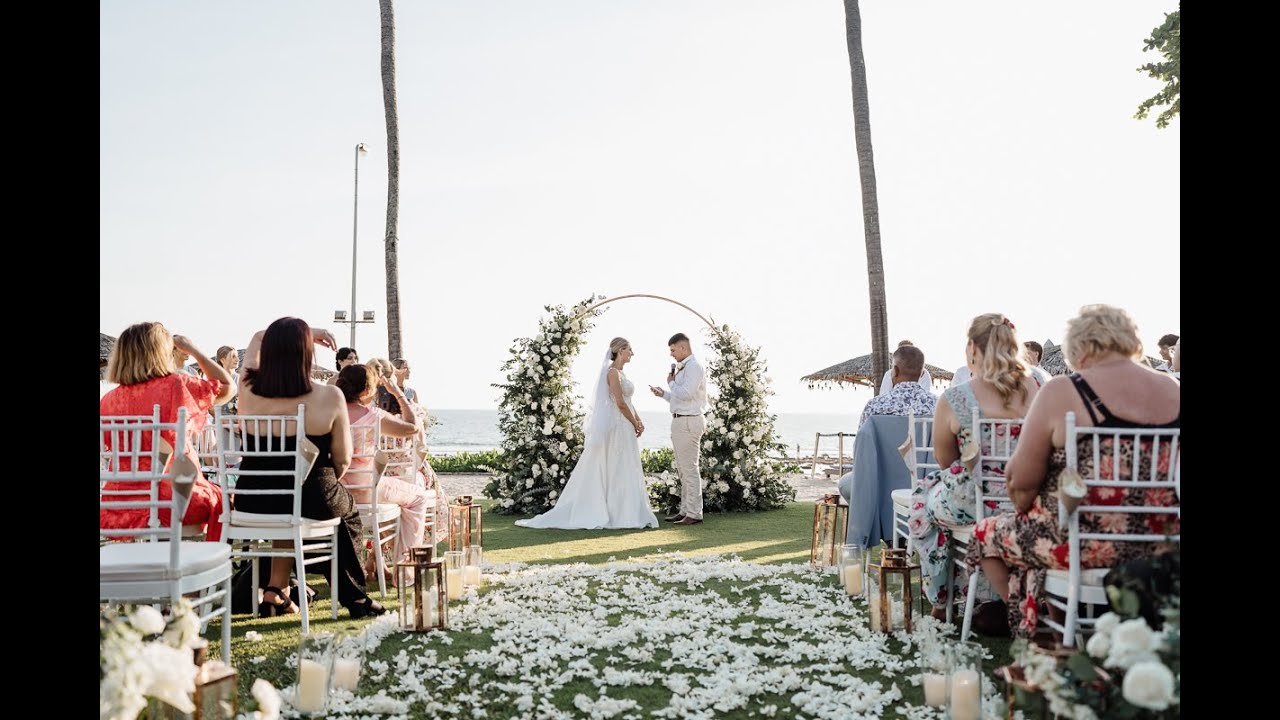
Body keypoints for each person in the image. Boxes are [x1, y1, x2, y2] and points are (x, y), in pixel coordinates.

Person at [964, 305, 1180, 637]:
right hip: (1158, 542)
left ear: (1079, 347)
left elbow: (1020, 481)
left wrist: (1025, 509)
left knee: (985, 533)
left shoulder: (1064, 391)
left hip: (1078, 540)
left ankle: (1036, 630)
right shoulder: (1173, 389)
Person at [233, 317, 385, 619]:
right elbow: (342, 459)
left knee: (289, 508)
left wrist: (304, 334)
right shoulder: (328, 396)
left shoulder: (247, 388)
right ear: (307, 354)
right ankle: (355, 599)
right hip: (311, 493)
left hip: (253, 497)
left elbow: (256, 337)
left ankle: (276, 591)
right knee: (347, 513)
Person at [907, 314, 1039, 626]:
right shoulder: (1036, 391)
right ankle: (986, 596)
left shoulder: (956, 397)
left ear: (973, 349)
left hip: (973, 502)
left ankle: (943, 597)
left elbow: (945, 461)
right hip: (1027, 501)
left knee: (922, 502)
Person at [100, 322, 235, 541]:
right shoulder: (175, 385)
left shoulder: (107, 401)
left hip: (119, 502)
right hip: (175, 498)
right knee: (221, 498)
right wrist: (193, 349)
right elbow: (227, 388)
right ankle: (203, 566)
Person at [518, 337, 658, 529]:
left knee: (625, 465)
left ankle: (627, 510)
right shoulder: (612, 374)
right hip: (618, 427)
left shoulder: (622, 374)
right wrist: (634, 423)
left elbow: (628, 402)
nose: (632, 354)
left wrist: (638, 420)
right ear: (621, 350)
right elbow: (619, 403)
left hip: (625, 424)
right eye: (630, 350)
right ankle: (615, 512)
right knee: (616, 466)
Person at [335, 363, 429, 580]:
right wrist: (397, 392)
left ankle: (377, 562)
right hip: (367, 491)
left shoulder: (331, 414)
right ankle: (405, 574)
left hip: (337, 491)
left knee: (399, 503)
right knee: (418, 498)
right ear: (368, 390)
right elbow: (412, 427)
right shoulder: (373, 415)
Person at [650, 332, 709, 525]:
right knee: (683, 470)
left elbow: (685, 393)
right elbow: (679, 397)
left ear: (683, 347)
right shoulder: (684, 369)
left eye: (673, 350)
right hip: (680, 420)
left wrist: (671, 383)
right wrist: (664, 394)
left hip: (688, 422)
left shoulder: (695, 367)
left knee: (690, 469)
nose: (671, 354)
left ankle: (694, 513)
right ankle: (685, 510)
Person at [857, 345, 937, 430]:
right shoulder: (937, 406)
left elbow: (862, 441)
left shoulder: (874, 407)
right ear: (921, 374)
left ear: (895, 371)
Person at [214, 345, 240, 414]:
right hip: (219, 422)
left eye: (237, 356)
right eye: (233, 357)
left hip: (238, 422)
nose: (237, 360)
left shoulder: (242, 379)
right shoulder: (215, 380)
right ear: (222, 360)